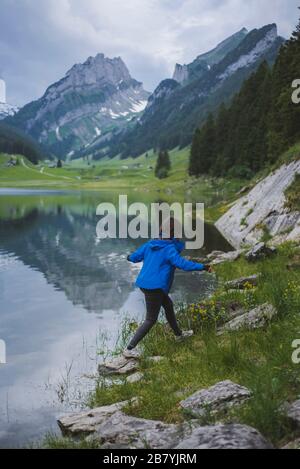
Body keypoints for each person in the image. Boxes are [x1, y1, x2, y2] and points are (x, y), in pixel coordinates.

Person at [123, 218, 212, 358]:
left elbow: (135, 257)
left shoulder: (150, 244)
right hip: (155, 287)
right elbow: (183, 264)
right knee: (151, 320)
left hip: (146, 284)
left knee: (168, 305)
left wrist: (129, 257)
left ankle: (179, 335)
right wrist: (203, 267)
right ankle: (129, 349)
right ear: (175, 233)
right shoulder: (169, 249)